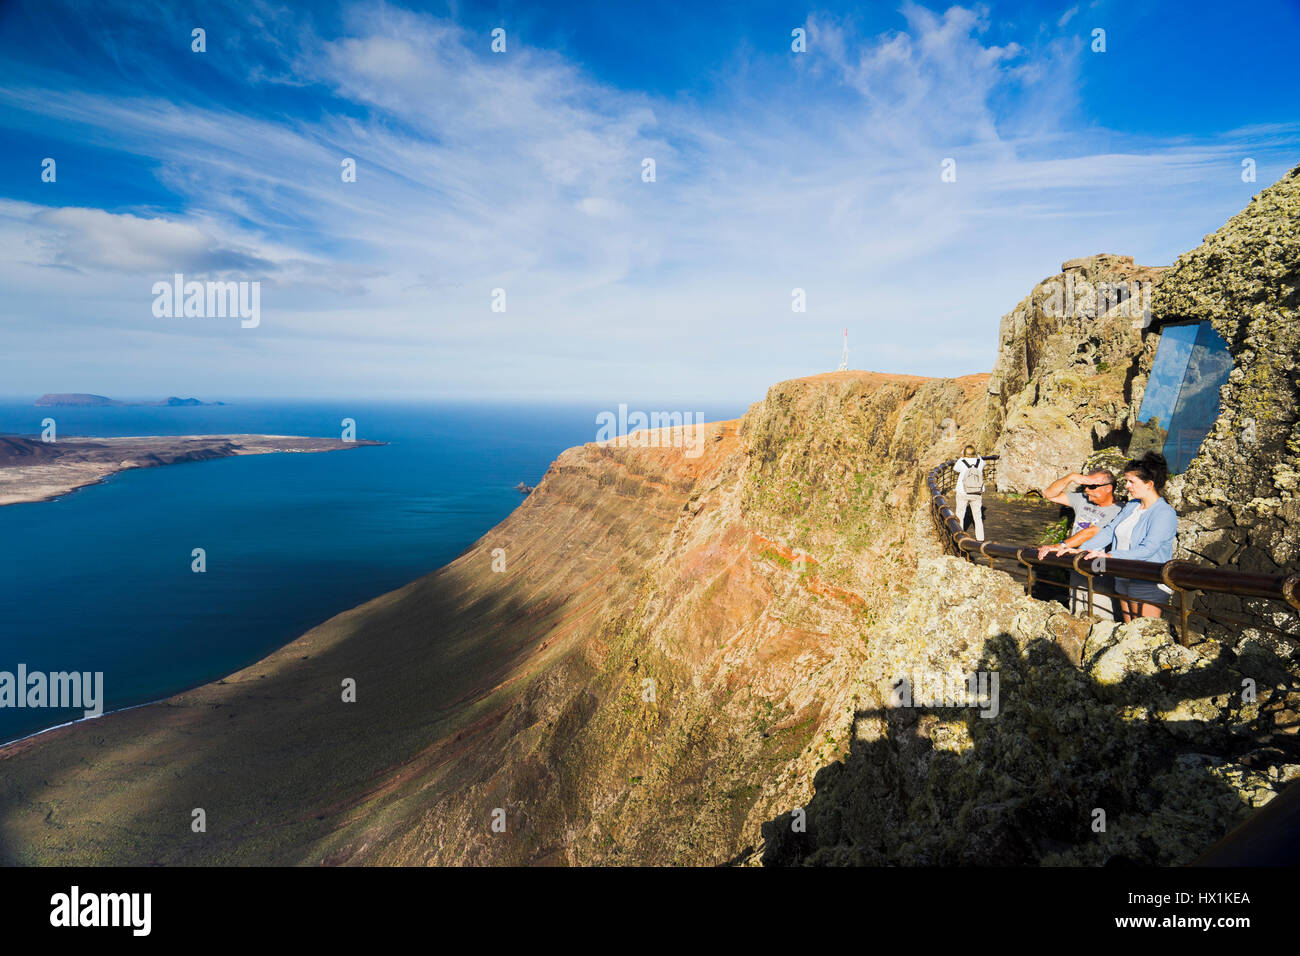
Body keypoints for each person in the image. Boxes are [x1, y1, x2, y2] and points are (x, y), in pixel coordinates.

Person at [1067, 452, 1178, 622]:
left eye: (1131, 482)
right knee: (1129, 632)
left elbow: (1148, 549)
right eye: (1127, 481)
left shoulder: (1164, 513)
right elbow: (1109, 531)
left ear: (1149, 484)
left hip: (1147, 582)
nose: (1127, 486)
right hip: (1123, 576)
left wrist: (1110, 556)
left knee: (1144, 634)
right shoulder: (1132, 506)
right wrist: (1081, 550)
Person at [1037, 467, 1123, 620]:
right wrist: (1071, 477)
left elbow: (1092, 532)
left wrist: (1061, 545)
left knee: (1101, 616)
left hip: (1100, 571)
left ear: (1108, 488)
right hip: (1075, 566)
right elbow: (1049, 494)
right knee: (1076, 614)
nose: (1087, 490)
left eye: (1092, 486)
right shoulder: (1083, 499)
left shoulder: (1119, 510)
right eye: (1085, 485)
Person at [952, 445, 985, 540]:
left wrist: (962, 456)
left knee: (960, 515)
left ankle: (960, 537)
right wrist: (977, 455)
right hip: (976, 492)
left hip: (963, 492)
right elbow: (982, 460)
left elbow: (955, 469)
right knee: (978, 517)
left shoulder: (961, 462)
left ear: (965, 453)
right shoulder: (980, 462)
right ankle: (980, 539)